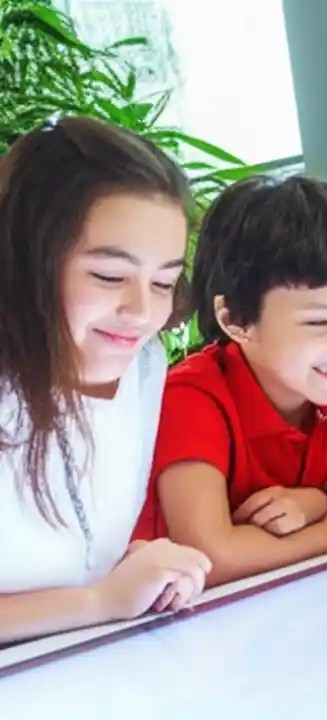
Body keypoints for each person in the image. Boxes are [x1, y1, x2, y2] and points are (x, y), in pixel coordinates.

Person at [0, 118, 210, 643]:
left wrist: (125, 573)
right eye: (110, 276)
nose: (143, 313)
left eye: (163, 281)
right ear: (26, 262)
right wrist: (99, 600)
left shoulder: (142, 367)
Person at [132, 176, 327, 586]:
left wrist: (320, 505)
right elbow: (209, 557)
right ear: (234, 320)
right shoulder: (191, 398)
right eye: (318, 322)